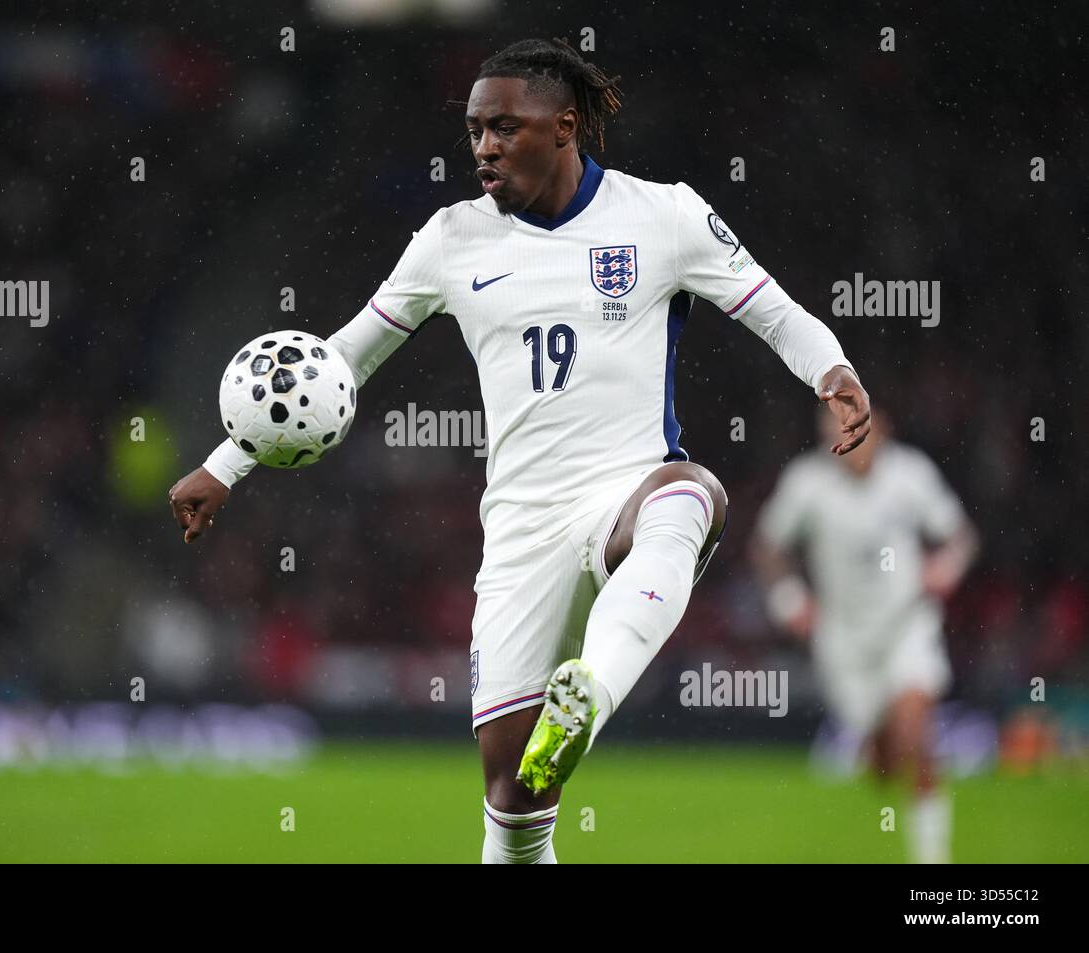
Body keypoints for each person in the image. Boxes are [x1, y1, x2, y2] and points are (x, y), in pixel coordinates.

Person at [169, 38, 871, 863]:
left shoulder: (664, 216)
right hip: (519, 533)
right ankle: (546, 766)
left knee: (690, 495)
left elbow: (776, 309)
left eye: (505, 127)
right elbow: (341, 360)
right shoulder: (449, 241)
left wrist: (834, 371)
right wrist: (225, 462)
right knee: (514, 798)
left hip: (624, 489)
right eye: (474, 132)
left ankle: (590, 696)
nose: (485, 148)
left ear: (565, 126)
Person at [751, 410, 978, 863]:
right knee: (884, 764)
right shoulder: (807, 483)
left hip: (906, 623)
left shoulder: (909, 474)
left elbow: (960, 536)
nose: (842, 441)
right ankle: (880, 750)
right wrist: (789, 598)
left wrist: (945, 567)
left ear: (879, 432)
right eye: (830, 433)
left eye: (852, 431)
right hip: (844, 639)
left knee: (917, 732)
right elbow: (767, 546)